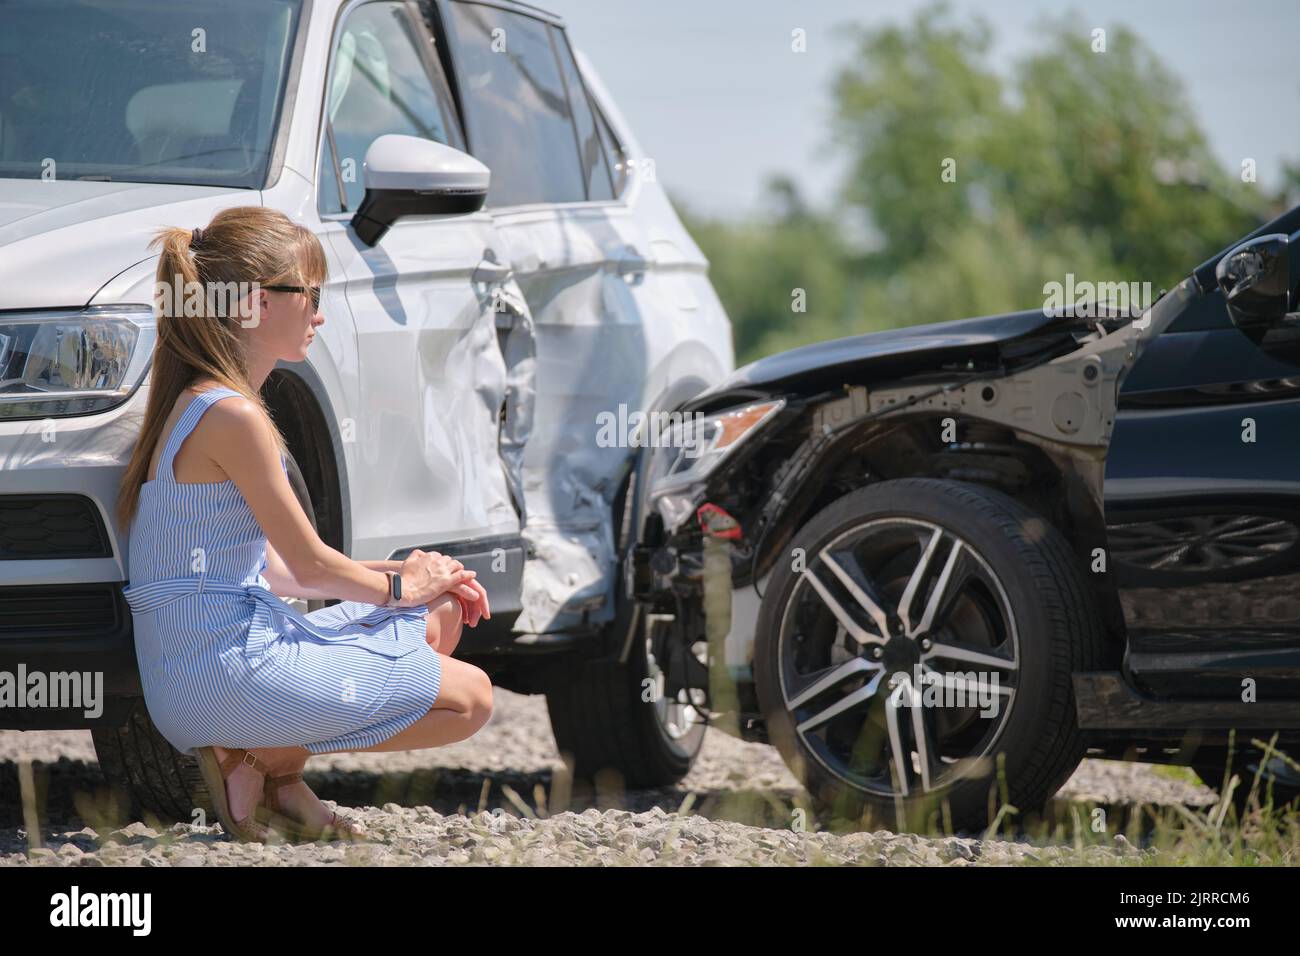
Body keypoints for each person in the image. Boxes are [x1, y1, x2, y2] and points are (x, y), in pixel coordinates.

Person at [115, 206, 493, 842]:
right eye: (309, 293)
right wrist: (405, 587)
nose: (320, 312)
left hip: (198, 671)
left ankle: (268, 776)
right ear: (258, 305)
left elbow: (280, 570)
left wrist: (416, 575)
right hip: (224, 671)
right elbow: (313, 566)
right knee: (472, 699)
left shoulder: (199, 403)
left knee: (443, 612)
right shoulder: (232, 415)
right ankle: (262, 758)